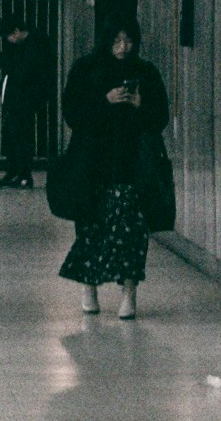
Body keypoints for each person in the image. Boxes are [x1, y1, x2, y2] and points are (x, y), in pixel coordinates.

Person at [52, 16, 174, 317]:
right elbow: (72, 114)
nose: (123, 47)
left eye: (129, 41)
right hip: (93, 163)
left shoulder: (145, 72)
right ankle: (89, 287)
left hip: (131, 163)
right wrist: (103, 100)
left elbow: (160, 118)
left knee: (132, 229)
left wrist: (139, 105)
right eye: (117, 41)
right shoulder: (86, 69)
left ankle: (129, 292)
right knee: (92, 226)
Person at [0, 19, 50, 186]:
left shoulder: (33, 45)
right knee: (13, 137)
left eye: (9, 36)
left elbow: (20, 69)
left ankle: (22, 175)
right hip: (20, 100)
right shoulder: (29, 45)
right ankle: (15, 172)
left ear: (15, 31)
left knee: (21, 138)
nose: (9, 40)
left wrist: (0, 59)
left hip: (23, 100)